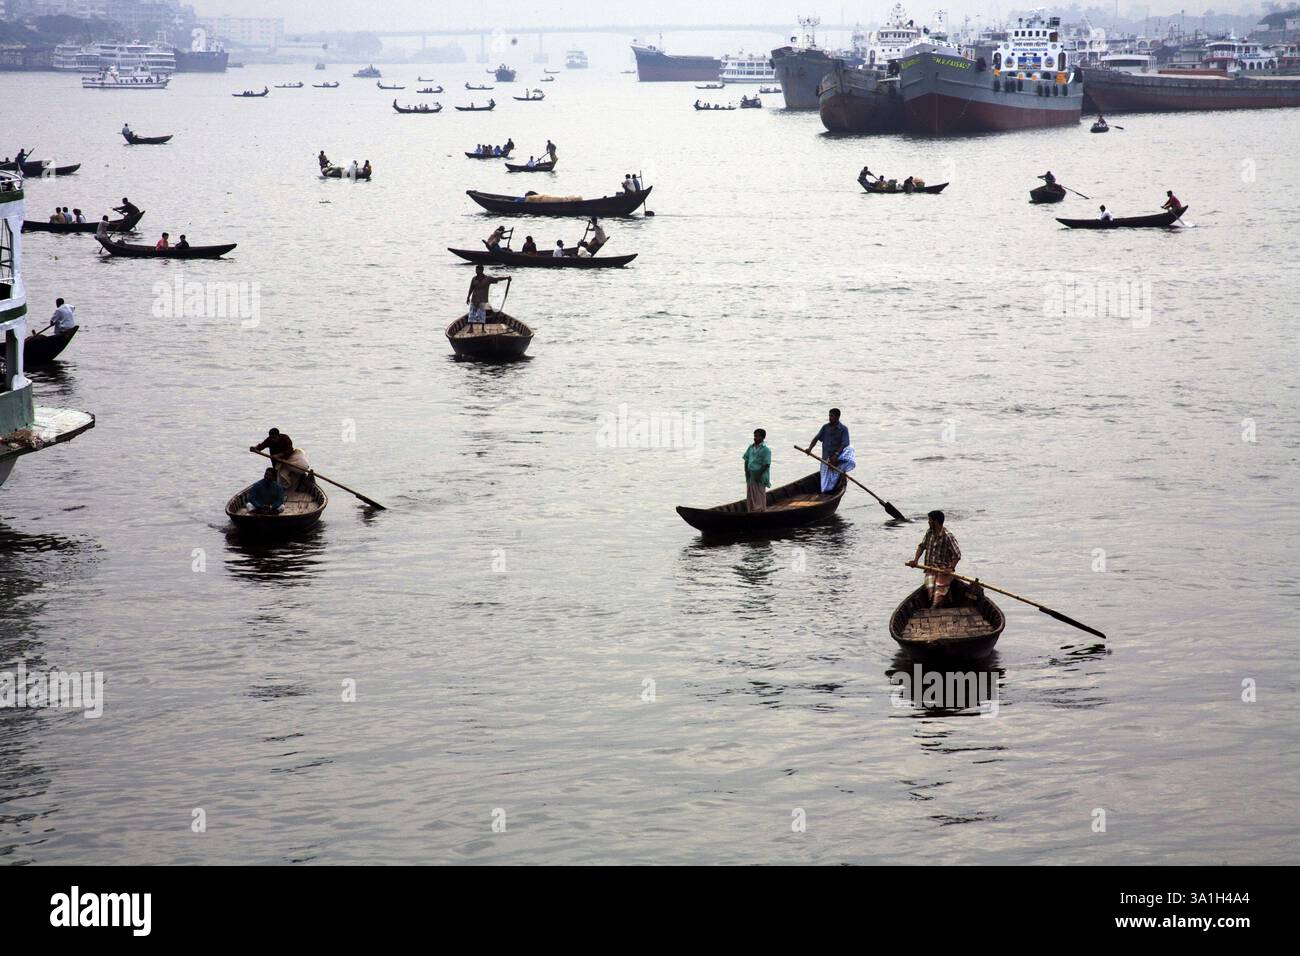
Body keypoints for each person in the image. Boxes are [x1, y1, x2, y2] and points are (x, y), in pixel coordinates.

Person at [907, 510, 962, 608]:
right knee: (930, 592)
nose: (928, 522)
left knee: (937, 596)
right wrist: (915, 560)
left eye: (929, 520)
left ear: (935, 521)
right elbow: (922, 546)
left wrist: (950, 568)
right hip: (930, 569)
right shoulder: (929, 532)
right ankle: (941, 602)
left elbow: (957, 555)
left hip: (943, 571)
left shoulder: (947, 536)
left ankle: (935, 607)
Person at [805, 408, 850, 493]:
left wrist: (836, 455)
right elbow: (816, 438)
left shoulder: (843, 429)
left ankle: (832, 490)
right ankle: (825, 492)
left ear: (838, 417)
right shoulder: (825, 427)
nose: (829, 418)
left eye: (832, 416)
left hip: (837, 460)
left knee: (834, 480)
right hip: (825, 459)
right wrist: (809, 449)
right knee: (824, 482)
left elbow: (845, 444)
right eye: (829, 416)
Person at [466, 265, 503, 331]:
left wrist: (506, 278)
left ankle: (483, 329)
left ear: (481, 270)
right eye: (476, 270)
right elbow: (471, 288)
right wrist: (468, 297)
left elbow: (497, 279)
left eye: (477, 270)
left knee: (482, 315)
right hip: (474, 299)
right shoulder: (474, 279)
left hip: (483, 300)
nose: (476, 271)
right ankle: (471, 328)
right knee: (472, 314)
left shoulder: (487, 279)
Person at [743, 428, 771, 513]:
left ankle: (760, 511)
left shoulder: (766, 450)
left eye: (757, 436)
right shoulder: (751, 447)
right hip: (751, 475)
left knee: (759, 494)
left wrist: (759, 474)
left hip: (760, 476)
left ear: (762, 438)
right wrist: (746, 471)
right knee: (751, 495)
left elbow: (766, 464)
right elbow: (746, 459)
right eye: (754, 436)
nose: (755, 438)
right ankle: (751, 511)